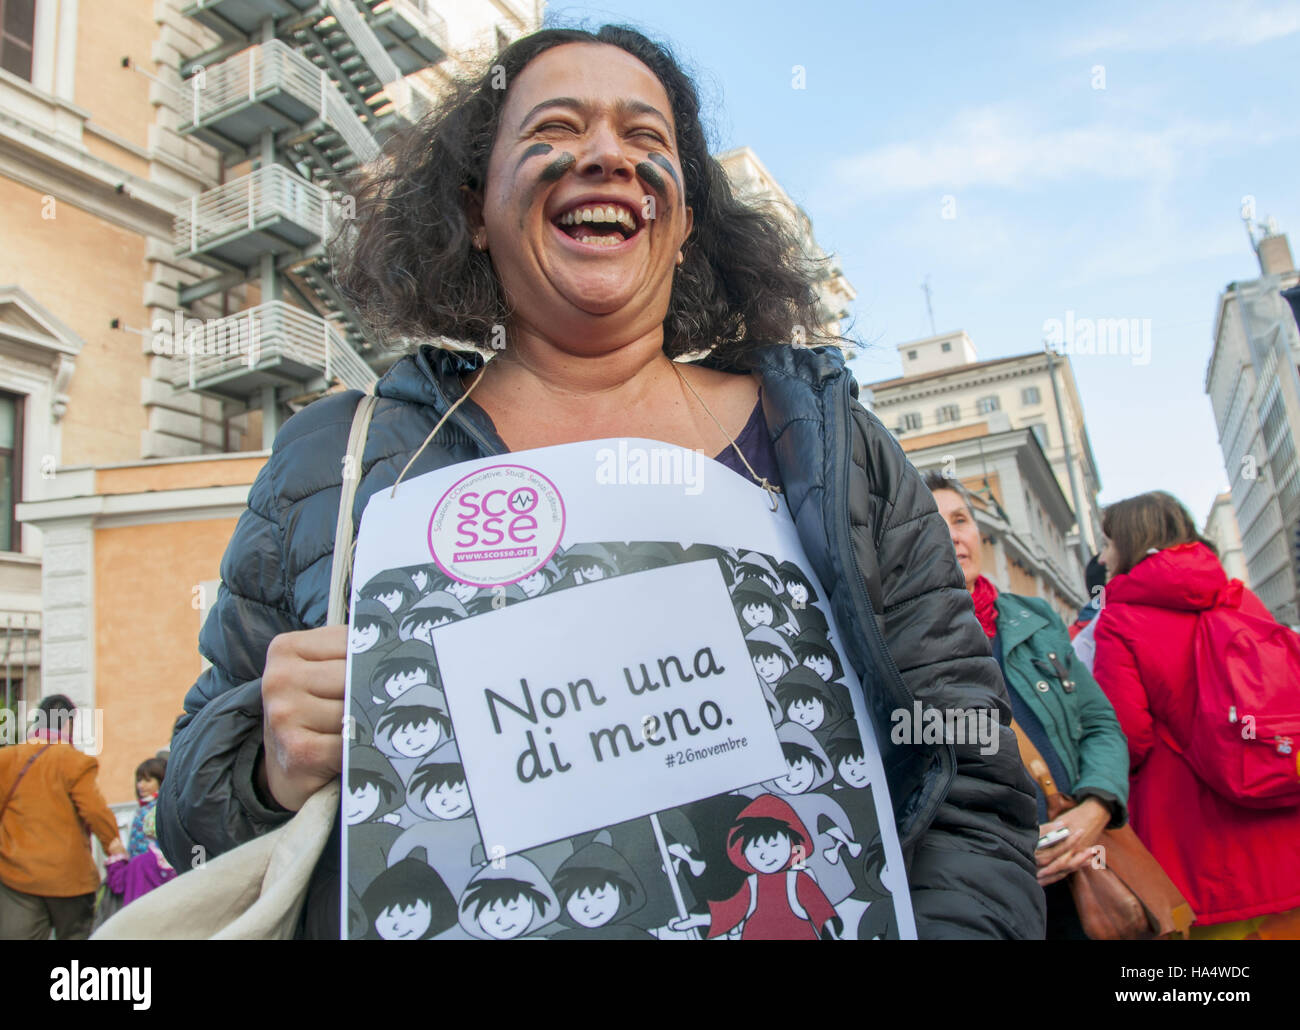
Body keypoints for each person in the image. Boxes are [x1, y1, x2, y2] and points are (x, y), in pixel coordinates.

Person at [158, 25, 1042, 939]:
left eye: (645, 138)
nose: (606, 156)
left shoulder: (828, 447)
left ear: (687, 216)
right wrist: (265, 763)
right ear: (472, 208)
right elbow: (189, 822)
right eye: (555, 129)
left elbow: (967, 771)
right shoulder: (335, 464)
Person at [924, 472, 1130, 939]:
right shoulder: (899, 643)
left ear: (979, 533)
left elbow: (1100, 724)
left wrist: (1096, 807)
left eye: (961, 519)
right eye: (933, 523)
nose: (954, 534)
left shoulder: (1033, 618)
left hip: (1082, 862)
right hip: (989, 891)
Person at [1091, 490, 1300, 939]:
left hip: (1197, 856)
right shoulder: (1237, 597)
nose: (1103, 557)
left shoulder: (1120, 620)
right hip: (1286, 839)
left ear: (1130, 542)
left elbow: (1127, 738)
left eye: (1108, 543)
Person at [0, 695, 125, 940]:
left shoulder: (7, 758)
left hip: (16, 875)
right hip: (69, 879)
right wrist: (115, 848)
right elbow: (95, 812)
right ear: (69, 723)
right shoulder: (74, 761)